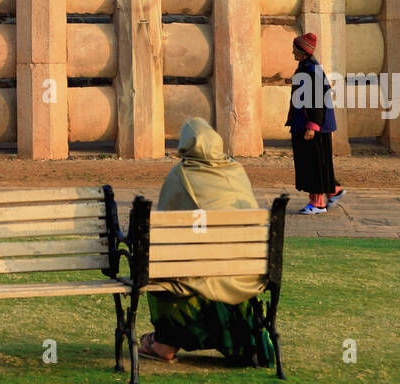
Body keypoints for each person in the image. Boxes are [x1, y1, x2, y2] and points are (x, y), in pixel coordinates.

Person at [137, 118, 276, 366]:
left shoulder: (181, 175)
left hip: (205, 274)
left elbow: (166, 234)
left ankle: (165, 343)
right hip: (248, 273)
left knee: (156, 268)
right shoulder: (236, 170)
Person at [286, 31, 344, 215]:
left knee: (314, 165)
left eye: (295, 48)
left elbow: (318, 100)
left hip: (313, 126)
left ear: (303, 51)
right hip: (306, 124)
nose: (292, 51)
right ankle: (333, 190)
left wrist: (312, 126)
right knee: (316, 163)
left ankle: (317, 204)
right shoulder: (305, 68)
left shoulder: (311, 71)